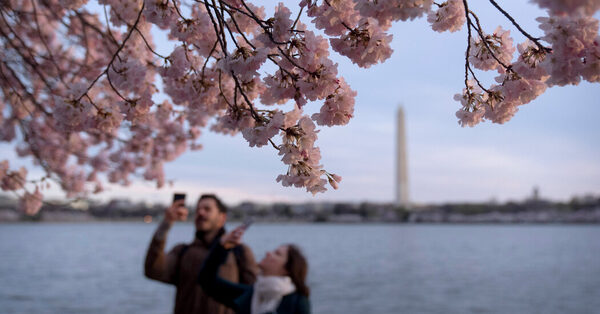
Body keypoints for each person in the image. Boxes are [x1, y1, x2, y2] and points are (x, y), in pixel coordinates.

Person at [145, 194, 258, 314]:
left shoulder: (240, 252)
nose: (201, 213)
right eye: (198, 210)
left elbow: (256, 296)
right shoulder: (182, 251)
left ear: (222, 218)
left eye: (207, 209)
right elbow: (153, 271)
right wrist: (166, 224)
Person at [198, 225, 311, 314]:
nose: (268, 253)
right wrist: (224, 246)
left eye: (277, 254)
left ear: (287, 269)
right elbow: (207, 280)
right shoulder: (251, 293)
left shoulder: (297, 301)